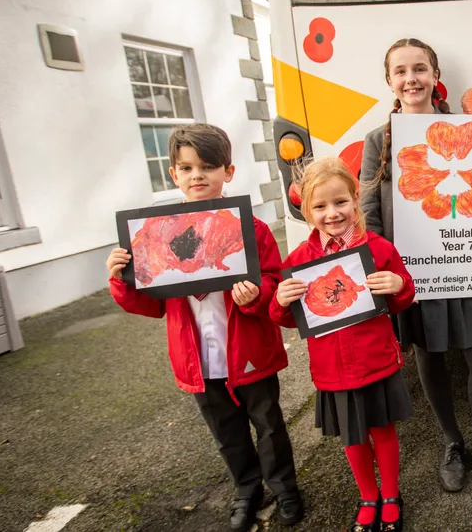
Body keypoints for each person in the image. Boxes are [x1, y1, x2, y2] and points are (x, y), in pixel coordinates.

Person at [359, 38, 472, 494]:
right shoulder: (377, 141)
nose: (411, 79)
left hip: (465, 268)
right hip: (412, 275)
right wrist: (382, 272)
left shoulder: (471, 128)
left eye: (419, 69)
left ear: (435, 76)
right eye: (400, 71)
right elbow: (370, 213)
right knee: (430, 358)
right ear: (389, 81)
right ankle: (452, 443)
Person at [106, 123, 303, 531]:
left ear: (228, 172)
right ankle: (247, 489)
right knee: (227, 433)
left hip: (249, 351)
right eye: (187, 167)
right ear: (173, 174)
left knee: (269, 426)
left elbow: (272, 281)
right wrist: (120, 278)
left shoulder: (253, 229)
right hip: (197, 358)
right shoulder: (156, 235)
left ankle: (285, 487)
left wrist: (256, 296)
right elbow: (150, 304)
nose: (198, 175)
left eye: (209, 166)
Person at [271, 157, 415, 532]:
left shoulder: (378, 248)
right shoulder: (300, 261)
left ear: (355, 200)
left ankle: (392, 494)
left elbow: (401, 296)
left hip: (375, 360)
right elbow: (287, 317)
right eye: (320, 206)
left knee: (382, 430)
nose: (332, 213)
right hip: (333, 369)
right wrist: (280, 300)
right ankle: (368, 496)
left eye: (340, 202)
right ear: (306, 211)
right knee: (353, 439)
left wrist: (400, 287)